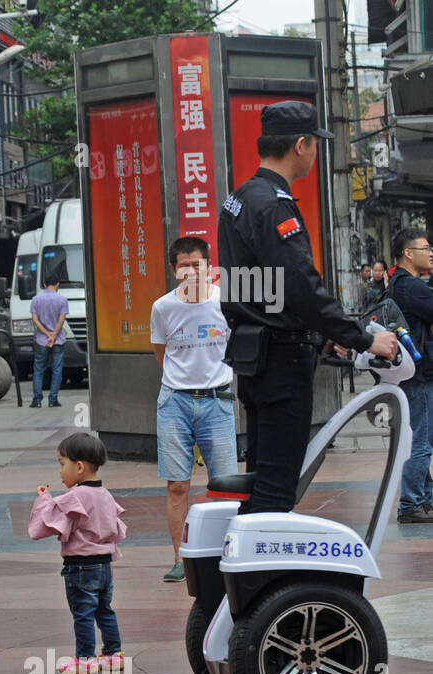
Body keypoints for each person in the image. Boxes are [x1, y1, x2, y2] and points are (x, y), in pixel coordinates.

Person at [218, 100, 398, 514]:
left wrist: (321, 338)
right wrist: (362, 338)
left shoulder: (240, 199)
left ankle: (246, 571)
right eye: (315, 144)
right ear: (301, 144)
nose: (316, 153)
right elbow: (301, 286)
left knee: (260, 479)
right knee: (278, 486)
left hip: (254, 356)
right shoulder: (275, 205)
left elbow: (257, 288)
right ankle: (259, 577)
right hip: (281, 360)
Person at [151, 237, 238, 582]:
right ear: (174, 270)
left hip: (218, 399)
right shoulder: (163, 307)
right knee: (177, 486)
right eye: (183, 265)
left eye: (196, 264)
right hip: (175, 401)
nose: (190, 271)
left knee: (225, 485)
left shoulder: (225, 301)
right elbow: (162, 353)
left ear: (208, 266)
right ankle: (180, 559)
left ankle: (226, 554)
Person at [28, 432, 127, 674]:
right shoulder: (105, 494)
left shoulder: (76, 496)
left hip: (81, 567)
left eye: (62, 464)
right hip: (105, 565)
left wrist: (43, 499)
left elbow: (48, 524)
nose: (60, 472)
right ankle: (114, 654)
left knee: (82, 612)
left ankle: (85, 658)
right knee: (105, 609)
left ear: (80, 466)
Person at [386, 228, 433, 523]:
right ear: (408, 253)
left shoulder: (397, 285)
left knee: (422, 437)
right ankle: (411, 503)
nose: (430, 252)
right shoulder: (411, 287)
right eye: (425, 247)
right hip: (419, 375)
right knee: (421, 441)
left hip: (410, 374)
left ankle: (423, 498)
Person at [30, 276, 67, 408]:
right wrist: (54, 335)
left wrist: (47, 334)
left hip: (41, 340)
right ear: (57, 284)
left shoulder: (36, 299)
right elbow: (62, 320)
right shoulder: (62, 300)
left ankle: (37, 400)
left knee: (39, 369)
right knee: (57, 370)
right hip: (58, 340)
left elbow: (35, 319)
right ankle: (53, 399)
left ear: (44, 284)